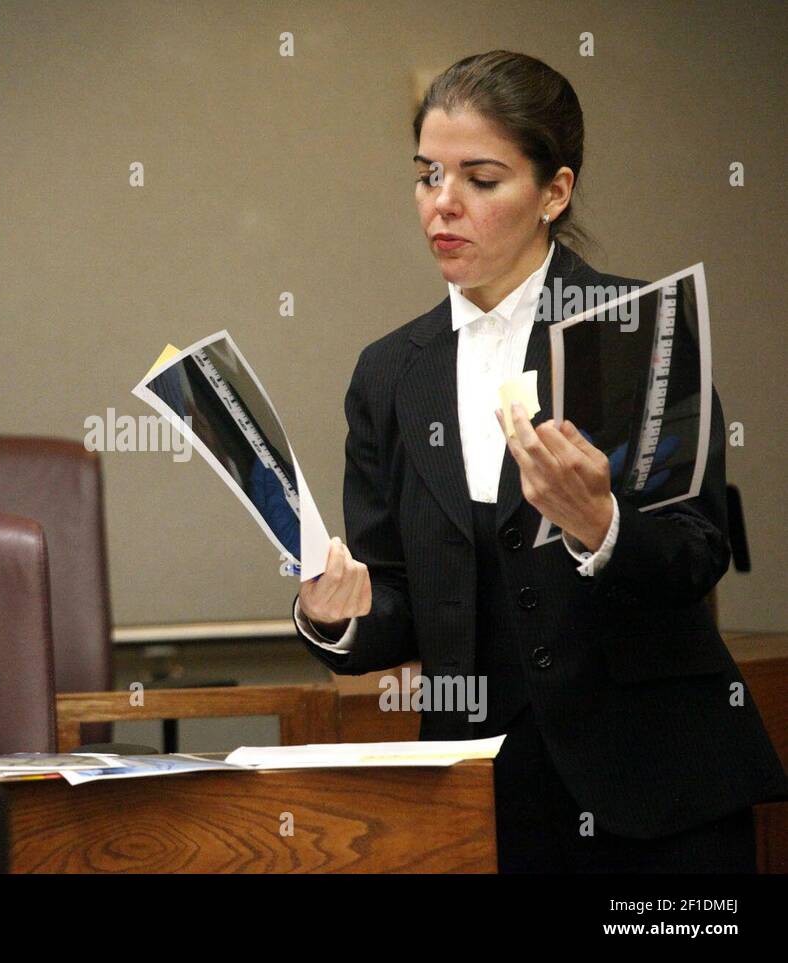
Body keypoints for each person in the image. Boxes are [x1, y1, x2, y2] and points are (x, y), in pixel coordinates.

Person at [293, 51, 786, 872]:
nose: (441, 204)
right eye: (427, 176)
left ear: (554, 192)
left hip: (654, 794)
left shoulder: (636, 332)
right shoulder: (389, 373)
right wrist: (336, 612)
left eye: (481, 179)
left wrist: (603, 524)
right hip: (478, 799)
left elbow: (698, 553)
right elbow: (403, 599)